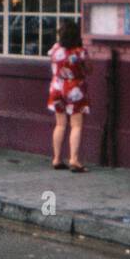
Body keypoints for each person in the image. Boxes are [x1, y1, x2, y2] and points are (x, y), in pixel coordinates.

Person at [47, 20, 90, 172]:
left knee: (60, 124)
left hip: (56, 87)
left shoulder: (55, 49)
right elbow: (89, 69)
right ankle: (74, 159)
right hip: (74, 89)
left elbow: (52, 62)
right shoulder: (80, 52)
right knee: (76, 125)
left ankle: (57, 158)